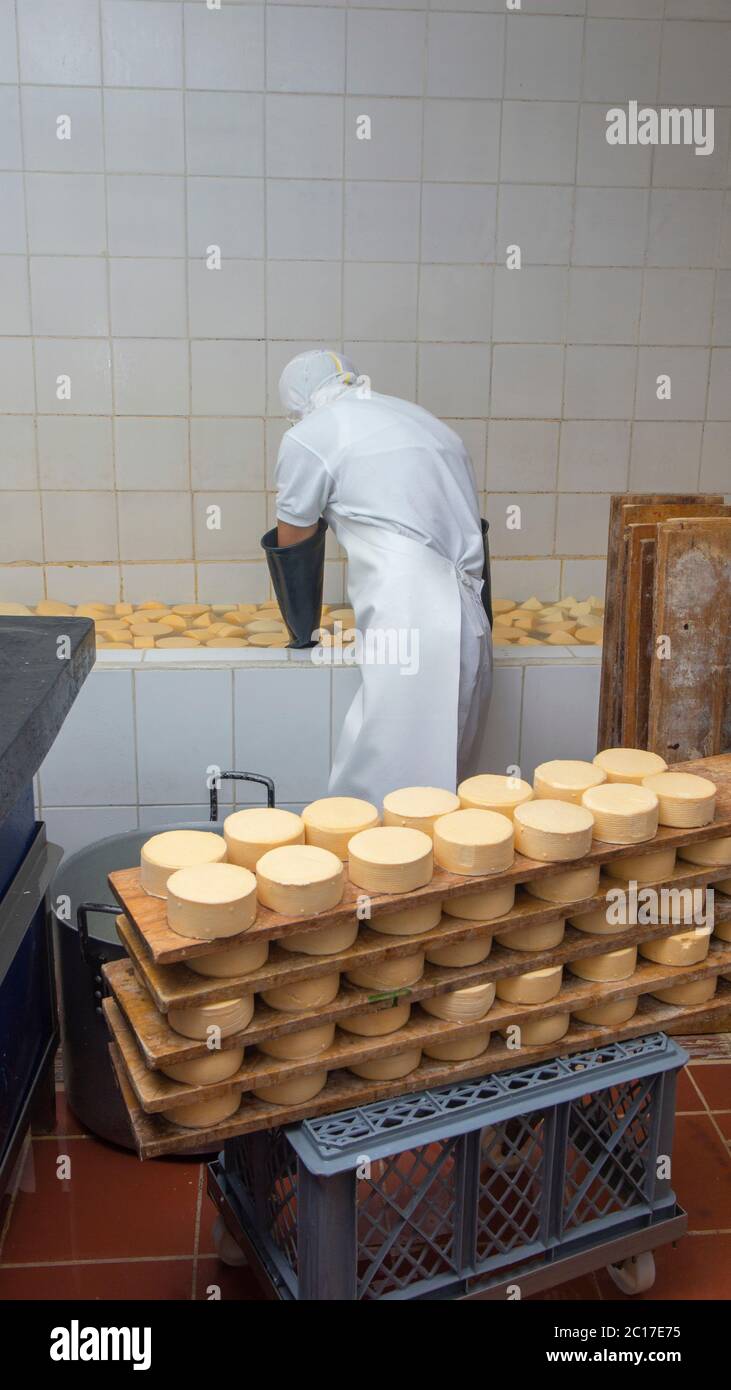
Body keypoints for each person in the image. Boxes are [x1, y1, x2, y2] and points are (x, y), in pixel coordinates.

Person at [261, 349, 492, 807]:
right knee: (449, 786)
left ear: (297, 403)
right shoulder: (424, 421)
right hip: (472, 614)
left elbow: (293, 540)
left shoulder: (311, 435)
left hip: (409, 612)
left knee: (389, 792)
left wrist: (302, 630)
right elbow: (472, 532)